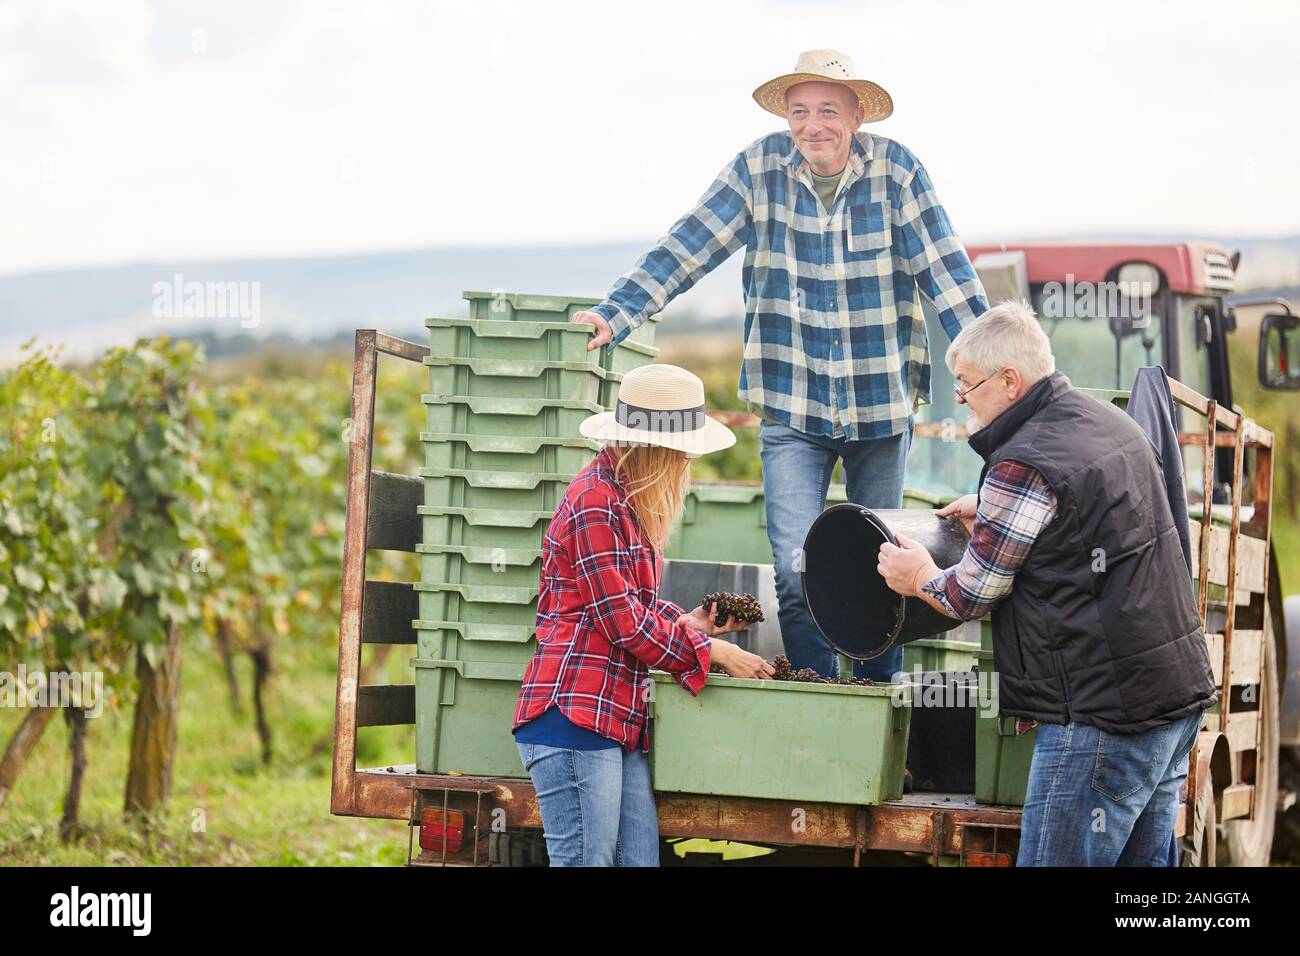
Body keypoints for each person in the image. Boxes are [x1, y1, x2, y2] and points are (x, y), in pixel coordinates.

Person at [571, 49, 988, 681]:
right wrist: (618, 311)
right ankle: (814, 703)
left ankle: (878, 718)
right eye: (800, 112)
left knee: (891, 572)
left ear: (855, 116)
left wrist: (986, 366)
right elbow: (690, 244)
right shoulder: (757, 168)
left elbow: (947, 274)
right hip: (791, 408)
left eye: (827, 110)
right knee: (798, 572)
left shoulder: (898, 173)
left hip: (880, 408)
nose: (812, 125)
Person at [875, 300, 1218, 866]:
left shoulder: (1022, 462)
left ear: (1010, 380)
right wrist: (992, 509)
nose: (962, 401)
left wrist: (920, 579)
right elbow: (1085, 523)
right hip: (1173, 702)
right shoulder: (1109, 422)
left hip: (1102, 718)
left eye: (966, 386)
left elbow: (971, 594)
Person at [512, 363, 775, 867]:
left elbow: (634, 606)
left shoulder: (626, 501)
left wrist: (688, 623)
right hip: (574, 715)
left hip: (617, 718)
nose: (685, 462)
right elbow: (622, 623)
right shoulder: (596, 502)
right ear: (656, 449)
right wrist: (712, 651)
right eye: (682, 452)